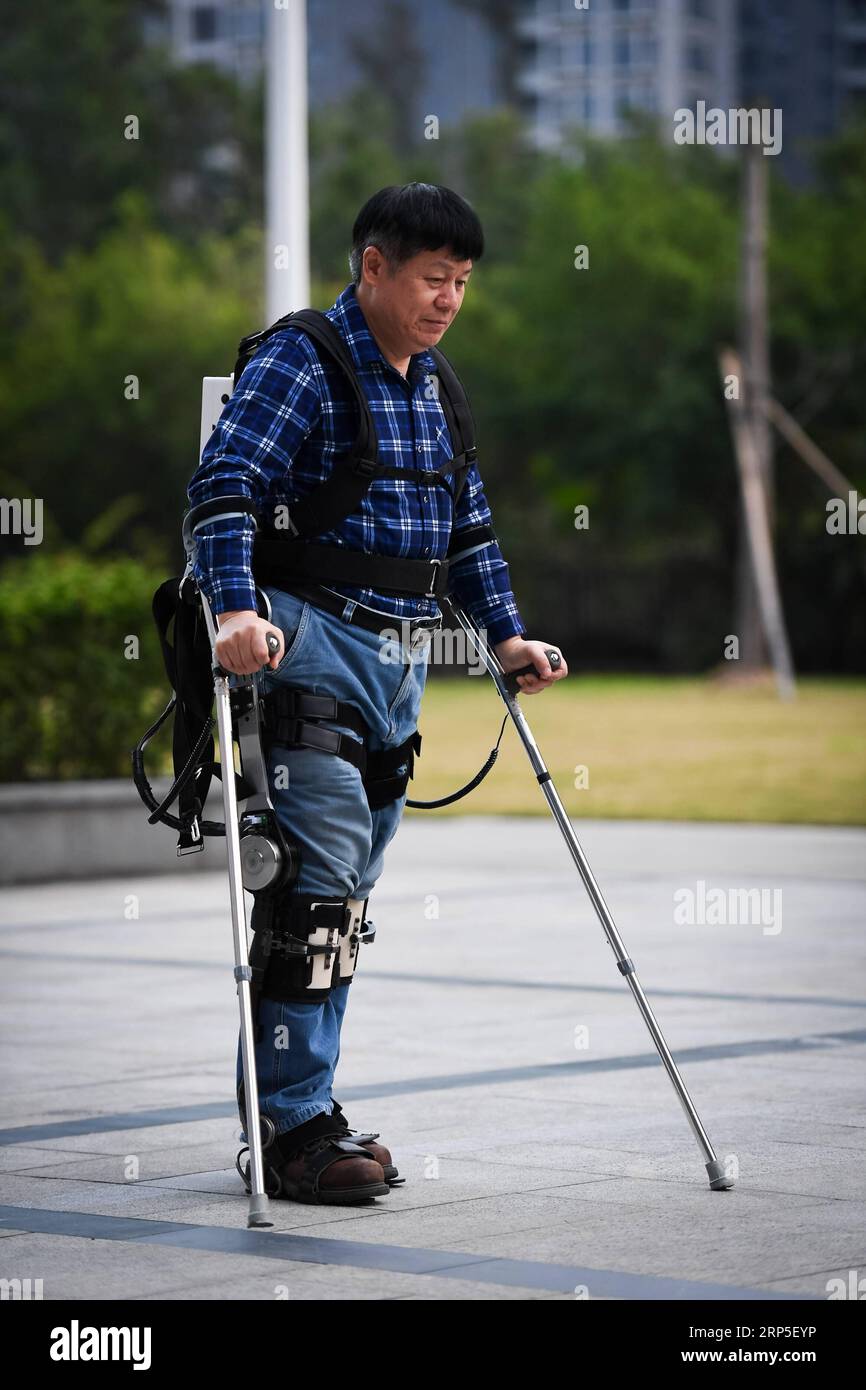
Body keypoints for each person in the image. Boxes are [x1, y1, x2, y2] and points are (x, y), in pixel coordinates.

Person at [187, 182, 568, 1205]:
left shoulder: (436, 385)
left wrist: (505, 635)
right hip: (302, 643)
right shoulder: (300, 361)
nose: (448, 299)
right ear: (372, 267)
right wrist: (232, 609)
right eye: (432, 277)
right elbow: (223, 488)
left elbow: (469, 529)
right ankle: (291, 1127)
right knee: (315, 891)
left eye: (461, 282)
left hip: (401, 663)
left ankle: (303, 1108)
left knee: (346, 904)